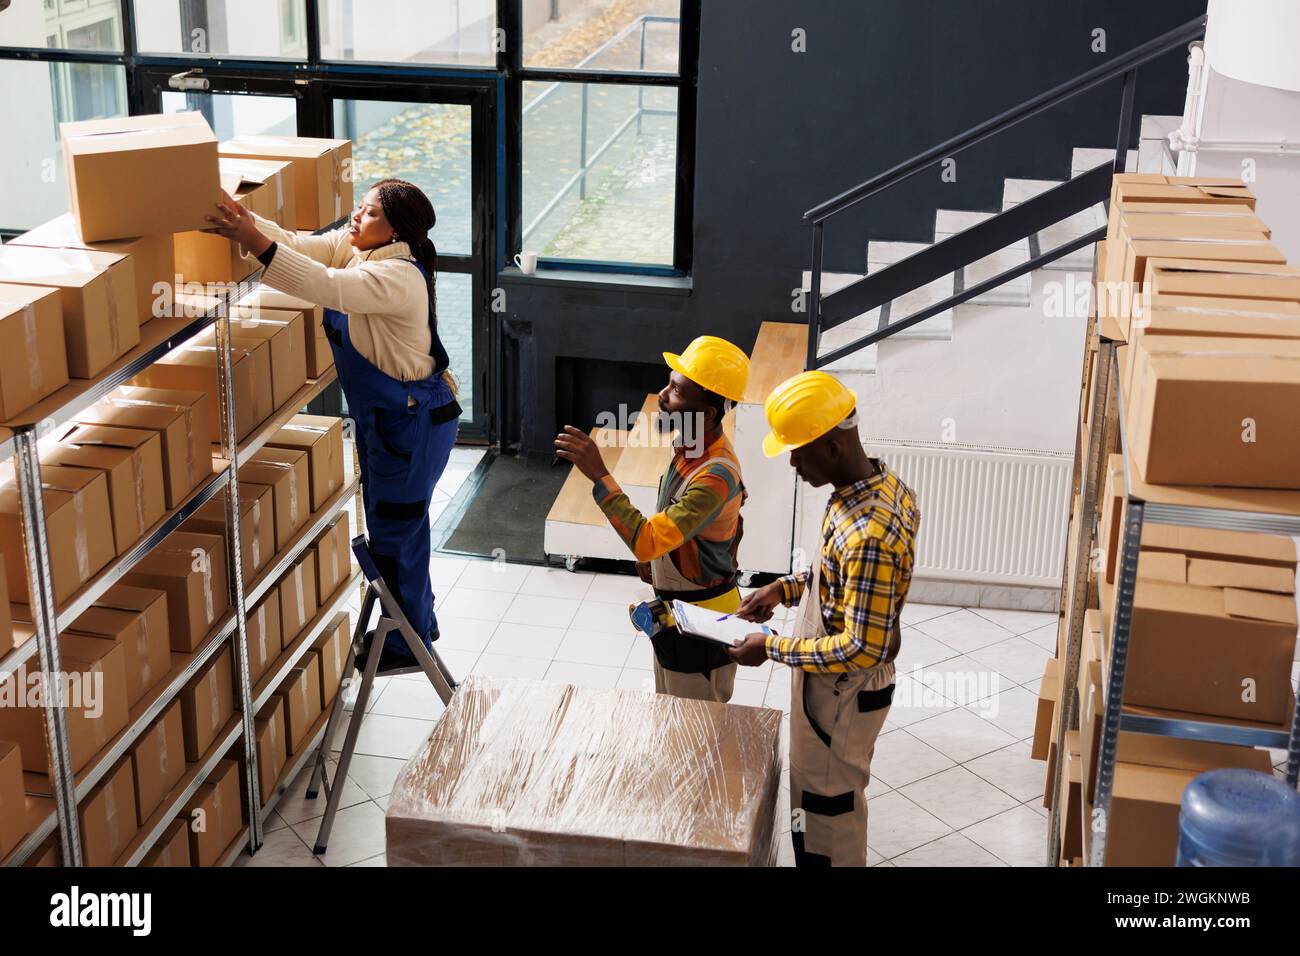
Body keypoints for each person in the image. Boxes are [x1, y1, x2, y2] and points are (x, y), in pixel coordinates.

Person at [205, 179, 460, 673]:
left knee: (397, 529)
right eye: (358, 209)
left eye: (366, 214)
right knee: (400, 526)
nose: (354, 220)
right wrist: (246, 222)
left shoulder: (398, 276)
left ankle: (408, 641)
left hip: (413, 424)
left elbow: (325, 285)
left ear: (393, 230)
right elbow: (302, 246)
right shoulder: (360, 246)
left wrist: (254, 242)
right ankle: (416, 623)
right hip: (389, 418)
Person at [729, 370, 920, 866]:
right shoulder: (872, 488)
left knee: (828, 819)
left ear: (833, 447)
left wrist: (768, 648)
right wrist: (784, 589)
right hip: (830, 690)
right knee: (811, 814)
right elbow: (834, 578)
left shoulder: (870, 534)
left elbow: (861, 647)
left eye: (798, 450)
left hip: (843, 695)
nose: (791, 462)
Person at [554, 336, 750, 703]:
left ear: (706, 414)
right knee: (671, 721)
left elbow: (647, 537)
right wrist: (655, 559)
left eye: (676, 391)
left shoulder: (714, 475)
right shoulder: (690, 448)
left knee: (693, 737)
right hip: (678, 618)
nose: (662, 395)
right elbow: (671, 526)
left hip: (702, 627)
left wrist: (600, 474)